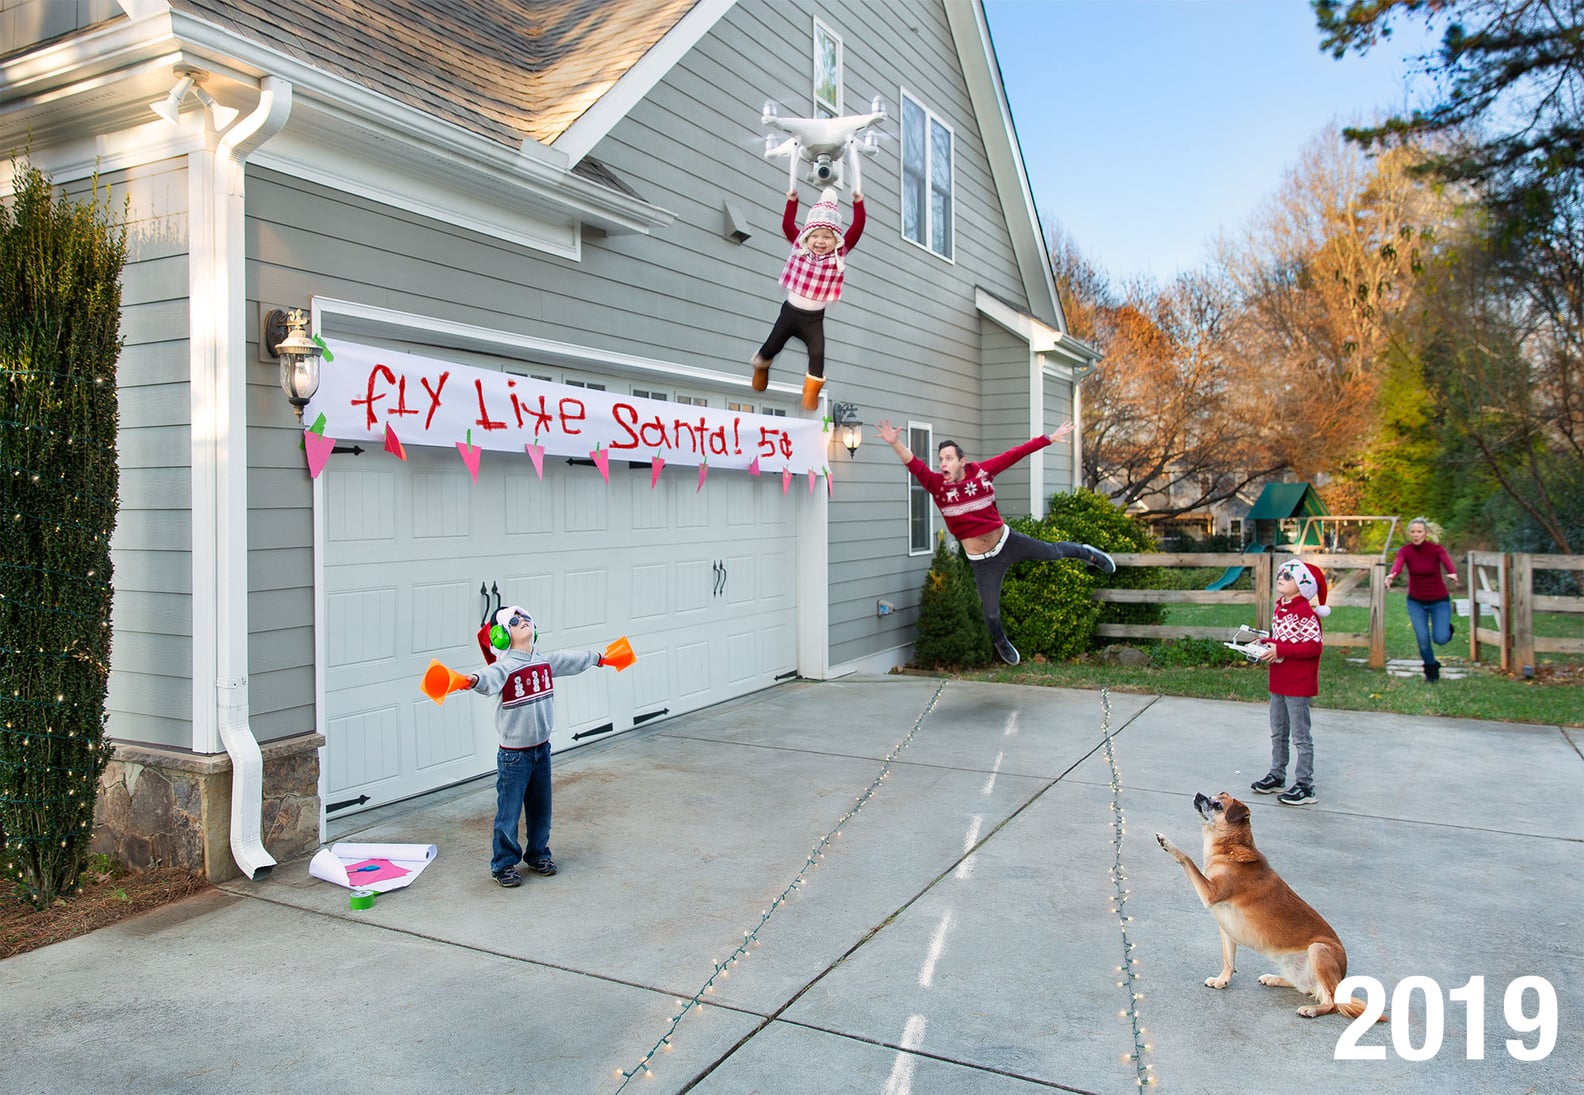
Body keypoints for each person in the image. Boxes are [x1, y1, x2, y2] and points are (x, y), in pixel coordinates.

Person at [876, 418, 1115, 666]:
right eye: (940, 459)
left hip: (1008, 541)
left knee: (1053, 553)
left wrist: (1049, 438)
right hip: (982, 562)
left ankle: (1087, 554)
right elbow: (914, 464)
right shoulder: (937, 485)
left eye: (948, 458)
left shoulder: (982, 472)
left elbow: (1015, 454)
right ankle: (1001, 642)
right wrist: (895, 443)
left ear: (962, 461)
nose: (943, 464)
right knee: (990, 612)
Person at [466, 606, 609, 887]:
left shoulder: (543, 661)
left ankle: (538, 854)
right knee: (509, 811)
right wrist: (471, 680)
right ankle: (503, 864)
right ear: (501, 635)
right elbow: (487, 678)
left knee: (541, 808)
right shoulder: (504, 667)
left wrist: (599, 658)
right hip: (514, 756)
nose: (524, 623)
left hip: (541, 750)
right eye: (515, 621)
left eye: (526, 618)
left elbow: (570, 659)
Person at [751, 186, 866, 411]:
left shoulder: (838, 255)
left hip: (813, 320)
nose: (820, 242)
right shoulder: (799, 247)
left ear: (836, 240)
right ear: (807, 236)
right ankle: (761, 367)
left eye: (827, 237)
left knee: (817, 353)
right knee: (771, 346)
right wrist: (792, 201)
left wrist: (858, 204)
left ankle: (811, 392)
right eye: (815, 235)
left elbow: (857, 229)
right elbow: (786, 226)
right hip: (790, 313)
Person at [1249, 559, 1329, 806]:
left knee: (1301, 736)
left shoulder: (1305, 612)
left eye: (1288, 575)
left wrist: (1281, 648)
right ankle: (1277, 774)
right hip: (1279, 680)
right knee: (1278, 731)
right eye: (1281, 573)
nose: (1281, 576)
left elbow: (1314, 646)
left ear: (1303, 585)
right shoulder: (1280, 609)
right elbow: (1283, 640)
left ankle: (1305, 785)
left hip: (1298, 682)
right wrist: (1265, 644)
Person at [1384, 516, 1461, 682]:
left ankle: (1446, 630)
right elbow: (1398, 563)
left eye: (1419, 531)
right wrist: (1392, 575)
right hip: (1416, 602)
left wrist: (1452, 572)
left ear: (1425, 533)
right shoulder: (1405, 551)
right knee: (1423, 639)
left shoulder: (1436, 549)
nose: (1416, 534)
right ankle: (1431, 671)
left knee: (1440, 638)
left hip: (1439, 600)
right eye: (1413, 532)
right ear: (1409, 534)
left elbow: (1446, 561)